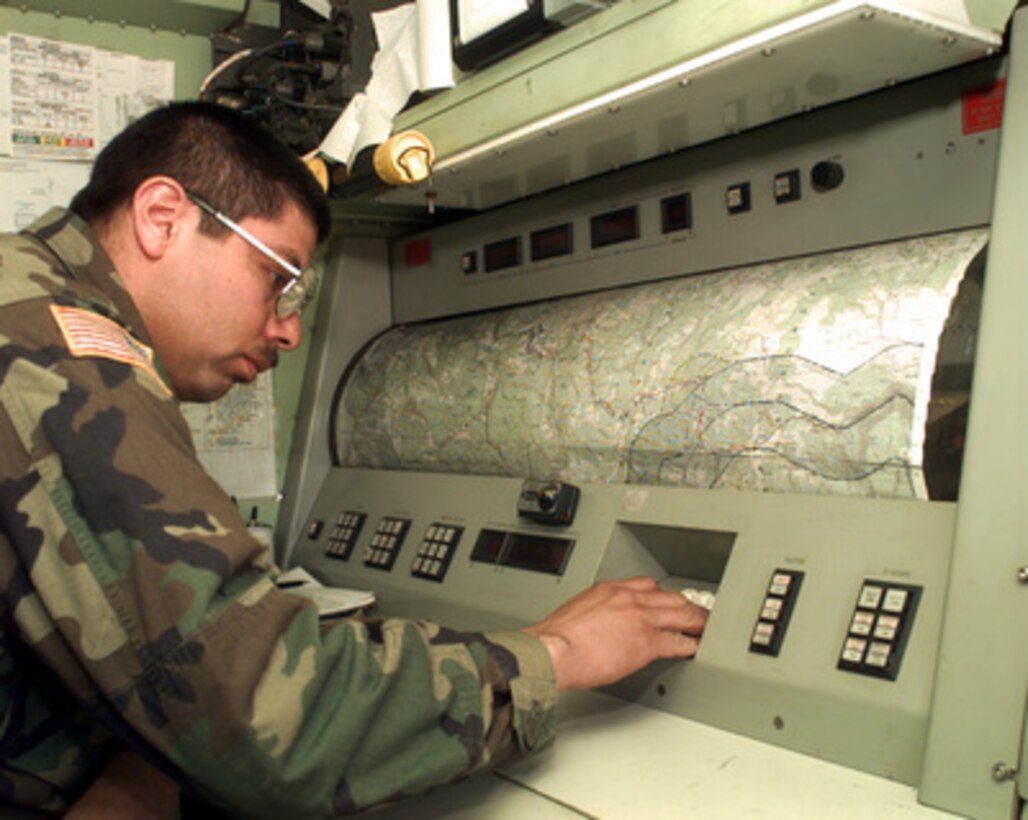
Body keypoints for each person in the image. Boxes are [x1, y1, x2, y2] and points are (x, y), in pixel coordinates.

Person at [0, 101, 708, 818]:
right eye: (280, 278)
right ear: (162, 217)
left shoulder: (28, 297)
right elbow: (275, 722)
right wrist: (558, 653)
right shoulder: (58, 358)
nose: (289, 329)